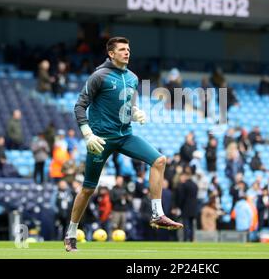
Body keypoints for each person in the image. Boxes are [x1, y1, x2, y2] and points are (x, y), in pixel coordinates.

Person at [64, 37, 183, 252]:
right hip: (100, 140)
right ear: (111, 53)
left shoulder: (133, 78)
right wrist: (88, 134)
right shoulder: (99, 76)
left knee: (159, 160)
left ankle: (157, 214)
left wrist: (134, 112)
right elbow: (79, 106)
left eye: (128, 49)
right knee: (88, 189)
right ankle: (71, 232)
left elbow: (128, 105)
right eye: (121, 49)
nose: (127, 52)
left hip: (126, 136)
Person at [175, 171, 198, 242]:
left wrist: (179, 206)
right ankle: (191, 238)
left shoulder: (184, 185)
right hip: (193, 208)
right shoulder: (195, 185)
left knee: (186, 224)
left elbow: (181, 197)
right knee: (191, 225)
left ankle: (185, 238)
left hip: (185, 208)